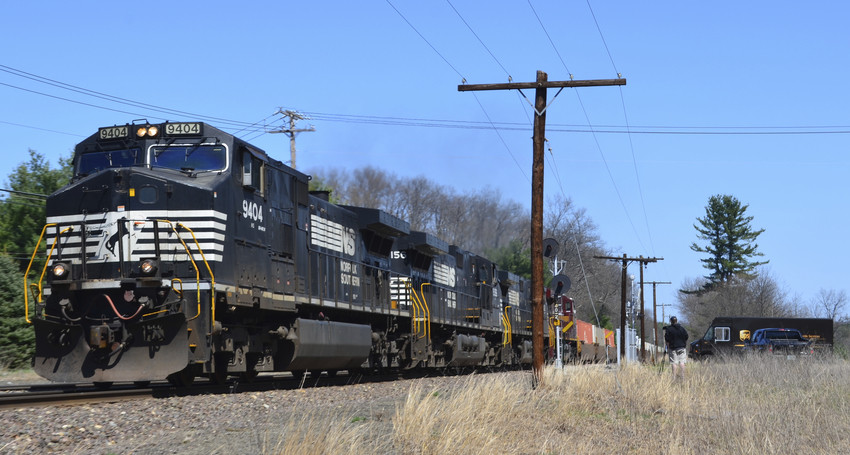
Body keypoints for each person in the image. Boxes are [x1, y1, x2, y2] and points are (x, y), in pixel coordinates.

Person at [664, 316, 689, 380]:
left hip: (673, 348)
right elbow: (686, 336)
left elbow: (667, 339)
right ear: (676, 321)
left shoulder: (669, 329)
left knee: (674, 363)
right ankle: (683, 377)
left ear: (671, 321)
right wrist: (683, 343)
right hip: (682, 348)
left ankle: (674, 377)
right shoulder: (682, 329)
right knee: (682, 362)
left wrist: (668, 347)